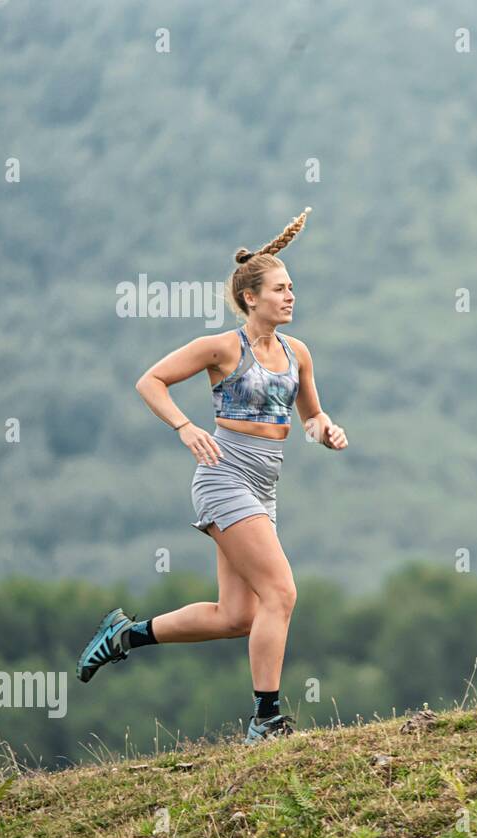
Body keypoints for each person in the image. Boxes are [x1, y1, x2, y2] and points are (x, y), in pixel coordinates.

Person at [77, 207, 348, 744]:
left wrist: (327, 431)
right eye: (280, 289)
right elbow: (150, 380)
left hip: (264, 486)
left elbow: (310, 419)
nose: (291, 297)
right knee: (281, 592)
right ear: (251, 298)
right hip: (224, 477)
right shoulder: (224, 347)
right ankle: (265, 719)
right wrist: (183, 426)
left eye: (292, 288)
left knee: (236, 616)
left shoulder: (299, 354)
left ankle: (126, 635)